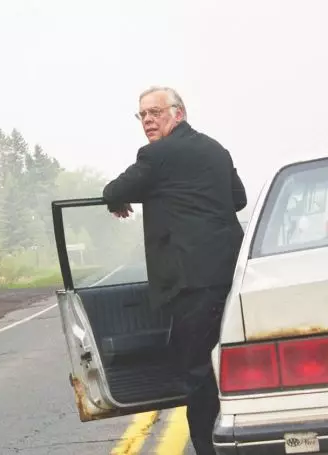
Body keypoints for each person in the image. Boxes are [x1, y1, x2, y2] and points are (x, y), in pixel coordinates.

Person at [102, 86, 247, 455]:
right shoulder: (216, 149)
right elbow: (239, 198)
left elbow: (114, 189)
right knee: (237, 362)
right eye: (142, 115)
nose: (148, 121)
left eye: (155, 112)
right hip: (234, 274)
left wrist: (121, 199)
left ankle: (208, 448)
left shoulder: (157, 155)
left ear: (178, 114)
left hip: (191, 283)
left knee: (198, 373)